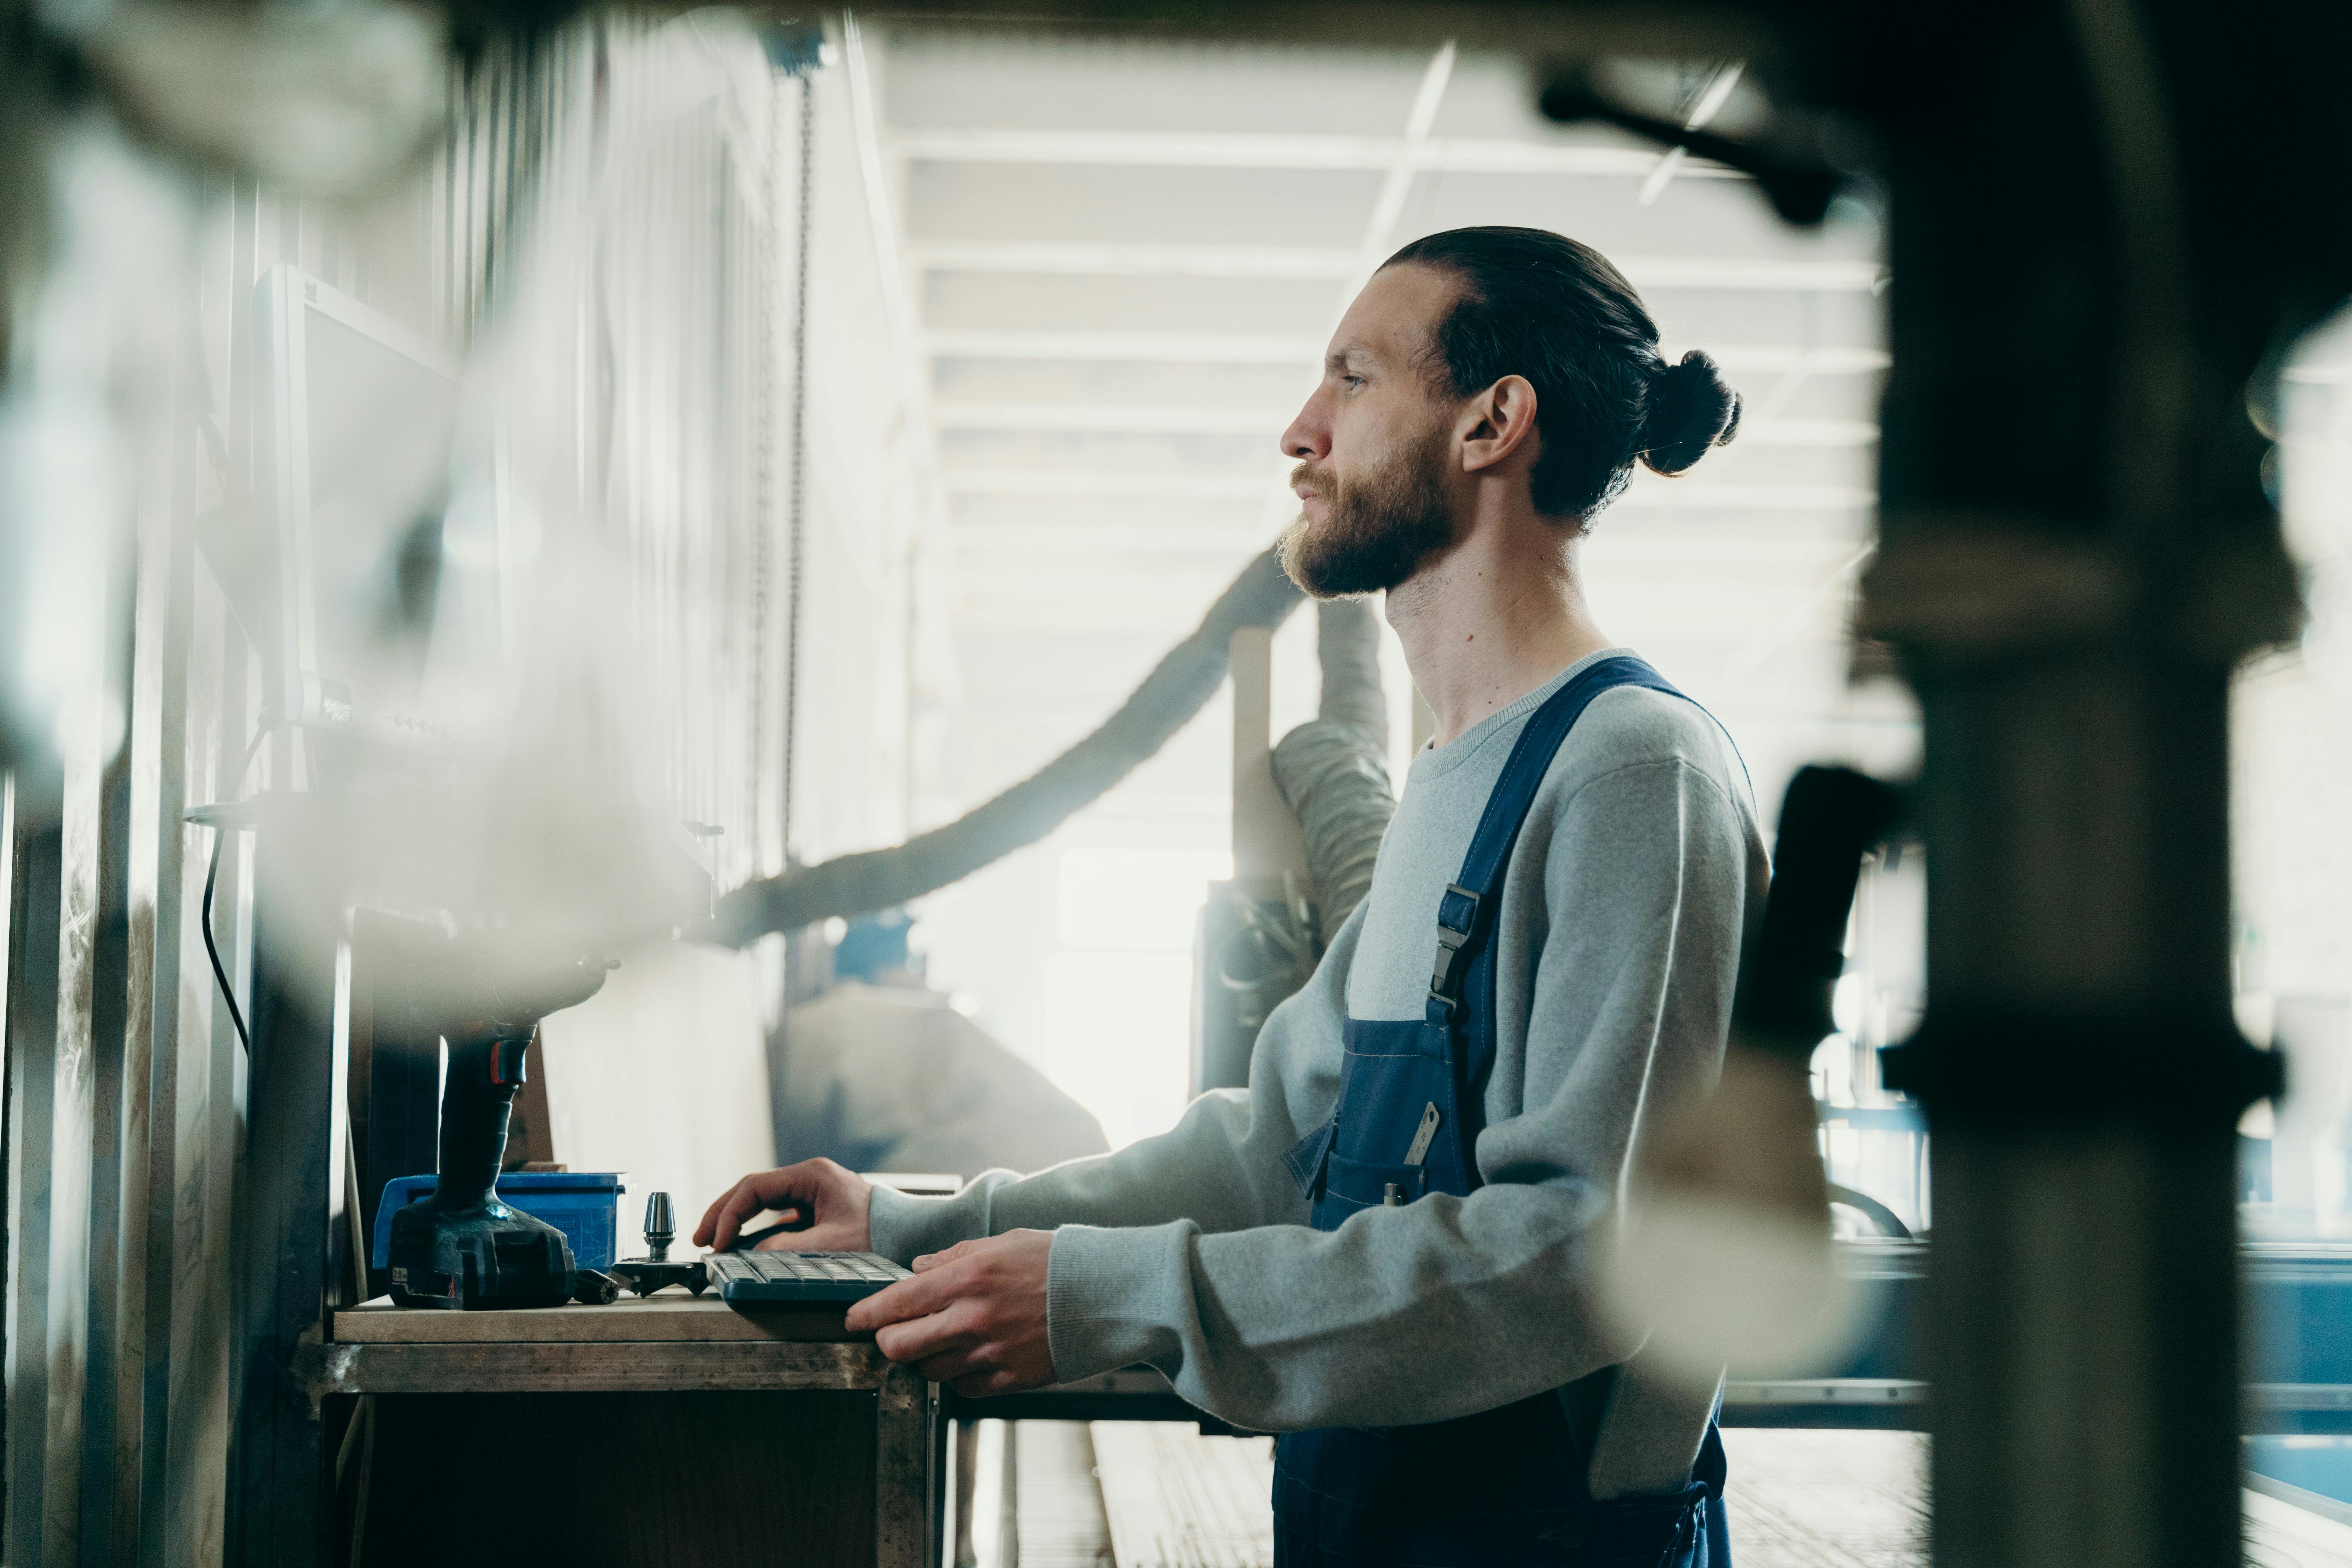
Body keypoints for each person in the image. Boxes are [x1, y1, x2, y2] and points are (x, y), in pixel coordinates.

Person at [697, 225, 1765, 1566]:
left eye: (1354, 380)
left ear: (1494, 423)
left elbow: (1581, 1258)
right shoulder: (1448, 778)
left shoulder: (1633, 770)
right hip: (1369, 1524)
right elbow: (1269, 1148)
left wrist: (1117, 1296)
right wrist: (925, 1228)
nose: (1300, 432)